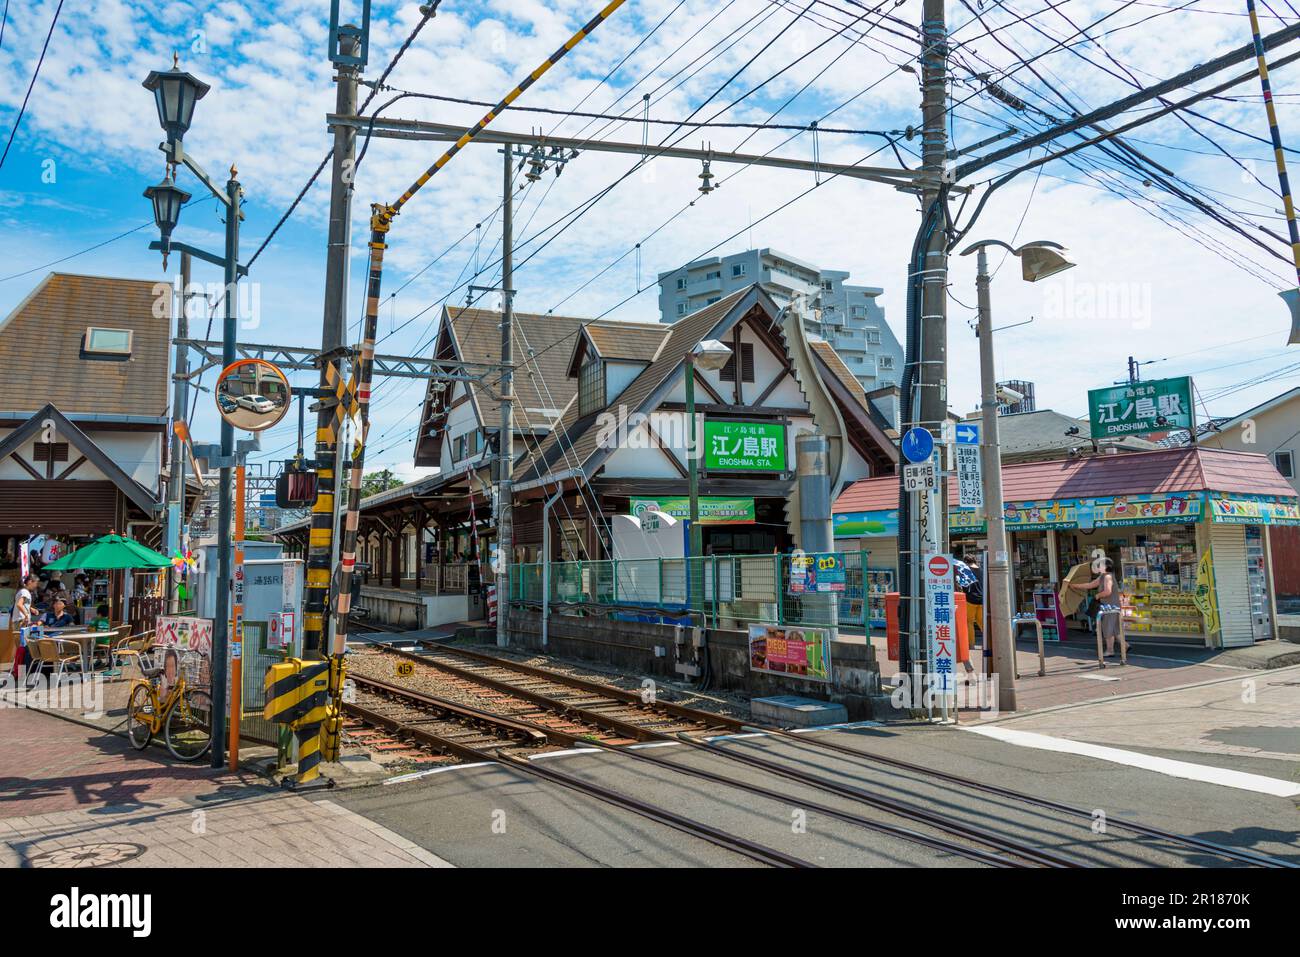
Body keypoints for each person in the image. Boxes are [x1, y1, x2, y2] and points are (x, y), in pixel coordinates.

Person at [1069, 558, 1126, 661]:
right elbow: (1090, 585)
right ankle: (1125, 646)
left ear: (1106, 566)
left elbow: (1108, 591)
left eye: (1101, 565)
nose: (1099, 567)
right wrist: (1074, 586)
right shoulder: (1102, 576)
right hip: (1110, 606)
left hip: (1110, 606)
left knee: (1108, 628)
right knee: (1114, 628)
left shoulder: (1107, 577)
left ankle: (1110, 651)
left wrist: (1098, 595)